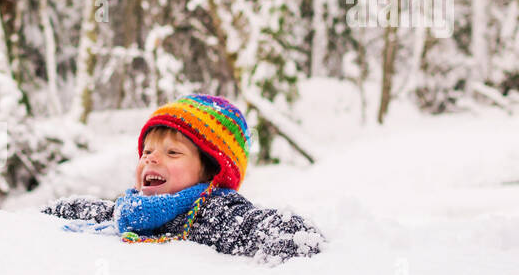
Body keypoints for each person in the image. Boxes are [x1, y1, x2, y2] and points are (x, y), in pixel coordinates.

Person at [41, 94, 326, 264]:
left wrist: (289, 242)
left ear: (210, 170)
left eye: (173, 152)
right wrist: (50, 213)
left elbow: (286, 232)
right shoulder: (131, 211)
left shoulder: (215, 213)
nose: (151, 159)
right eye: (147, 151)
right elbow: (99, 211)